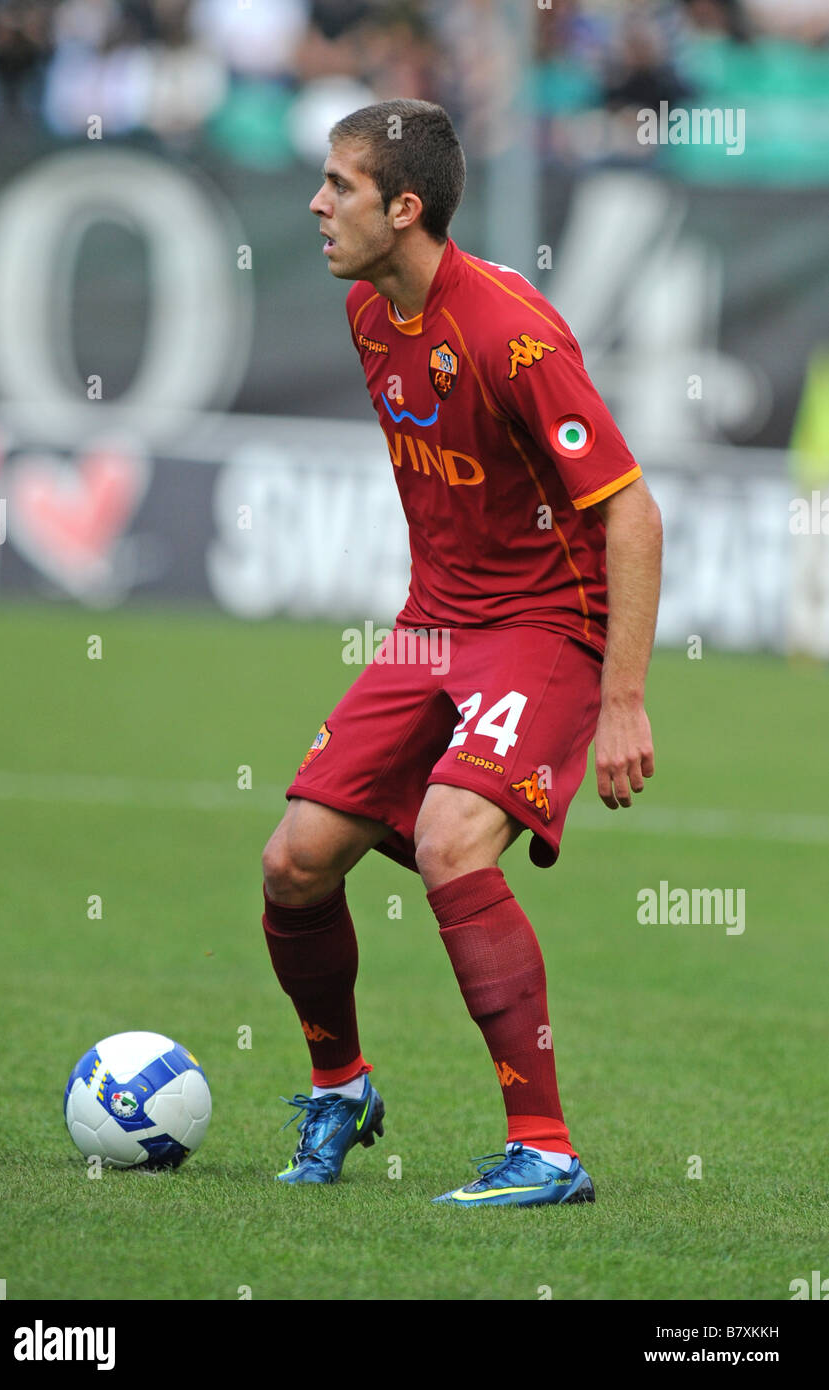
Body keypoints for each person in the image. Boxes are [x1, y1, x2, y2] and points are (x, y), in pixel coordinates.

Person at [261, 98, 662, 1207]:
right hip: (434, 623)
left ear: (404, 207)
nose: (316, 203)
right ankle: (340, 1085)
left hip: (545, 625)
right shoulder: (364, 310)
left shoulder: (510, 332)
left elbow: (630, 513)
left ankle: (546, 1148)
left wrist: (621, 697)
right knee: (293, 863)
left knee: (450, 840)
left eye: (337, 185)